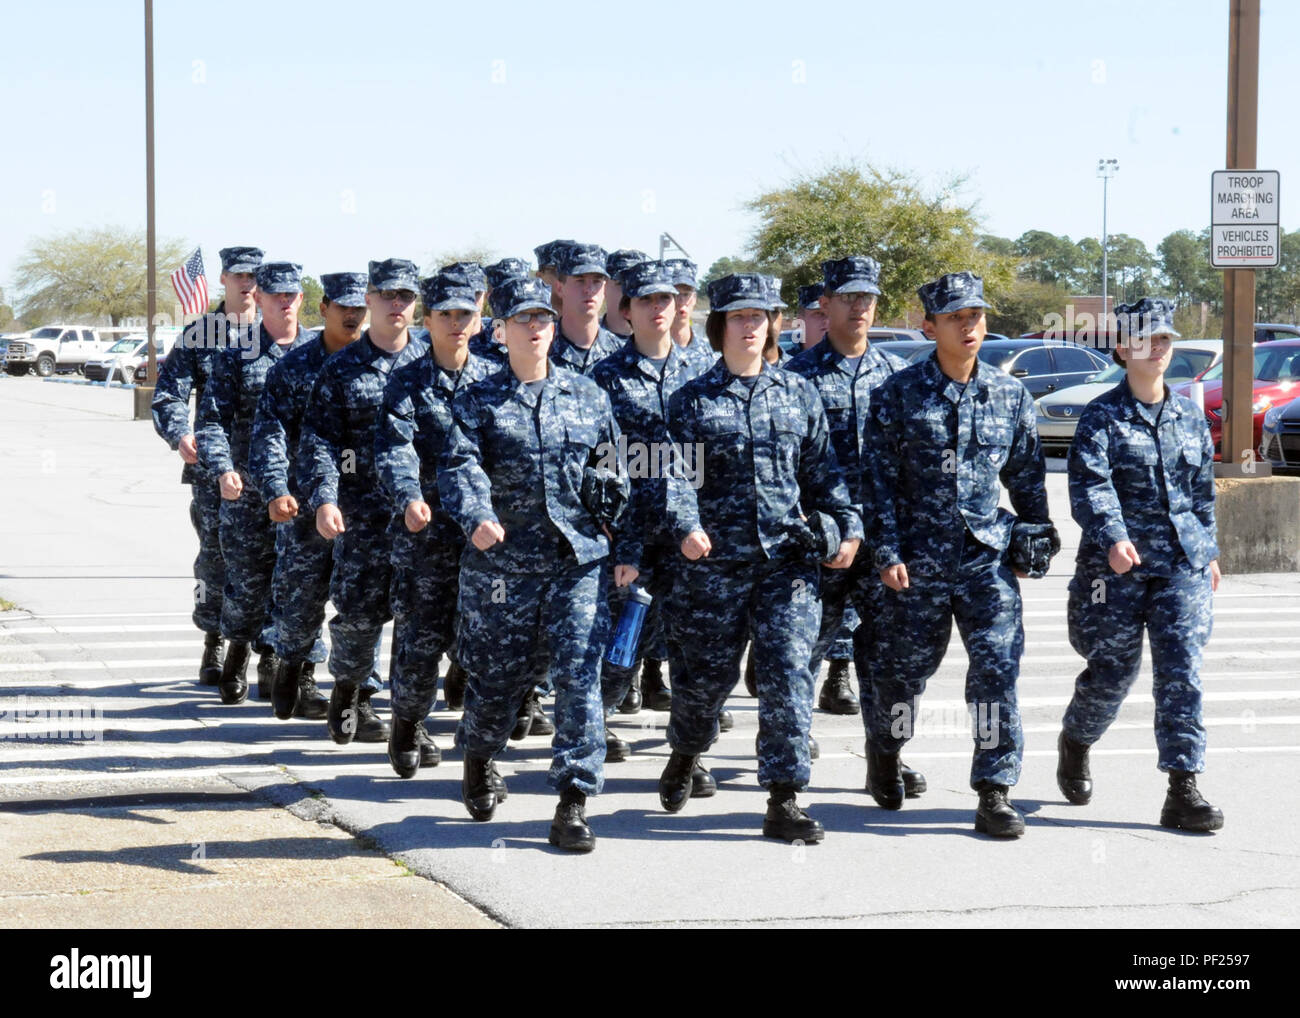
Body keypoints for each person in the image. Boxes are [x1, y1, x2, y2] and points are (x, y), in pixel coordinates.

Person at [659, 272, 862, 843]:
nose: (751, 326)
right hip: (714, 565)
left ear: (773, 324)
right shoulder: (691, 400)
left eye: (760, 316)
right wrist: (687, 525)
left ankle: (784, 796)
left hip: (787, 564)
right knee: (704, 680)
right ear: (720, 325)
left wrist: (848, 527)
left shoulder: (799, 394)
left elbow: (824, 476)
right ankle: (686, 751)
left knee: (789, 676)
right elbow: (674, 476)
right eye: (740, 316)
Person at [859, 271, 1055, 838]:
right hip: (916, 562)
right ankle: (886, 749)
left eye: (975, 315)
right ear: (929, 326)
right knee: (904, 675)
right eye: (954, 317)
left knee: (995, 672)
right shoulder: (897, 395)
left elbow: (1026, 476)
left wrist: (1034, 537)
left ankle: (994, 790)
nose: (968, 325)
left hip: (984, 558)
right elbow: (877, 483)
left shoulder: (1009, 393)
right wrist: (887, 550)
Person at [439, 276, 629, 852]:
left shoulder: (589, 395)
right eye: (523, 319)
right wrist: (477, 513)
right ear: (501, 329)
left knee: (578, 676)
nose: (537, 328)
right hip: (503, 567)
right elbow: (459, 466)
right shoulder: (478, 400)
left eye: (544, 318)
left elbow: (615, 464)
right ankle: (479, 755)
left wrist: (615, 516)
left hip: (576, 563)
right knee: (498, 677)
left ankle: (573, 799)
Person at [1059, 297, 1223, 832]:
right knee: (1112, 673)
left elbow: (1201, 493)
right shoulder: (1101, 416)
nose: (1157, 349)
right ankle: (1077, 740)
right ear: (1122, 348)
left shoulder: (1190, 416)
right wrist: (1113, 538)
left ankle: (1183, 788)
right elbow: (1090, 486)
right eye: (1146, 340)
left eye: (1164, 340)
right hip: (1117, 570)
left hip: (1181, 565)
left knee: (1181, 673)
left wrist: (1210, 550)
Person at [299, 258, 428, 745]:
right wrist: (325, 499)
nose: (397, 305)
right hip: (361, 515)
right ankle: (349, 687)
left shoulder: (429, 361)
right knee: (358, 616)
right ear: (369, 298)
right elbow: (320, 440)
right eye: (388, 295)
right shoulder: (341, 368)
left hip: (420, 520)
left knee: (419, 622)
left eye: (406, 297)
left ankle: (408, 719)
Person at [591, 260, 709, 784]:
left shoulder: (703, 371)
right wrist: (617, 537)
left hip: (690, 536)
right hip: (629, 535)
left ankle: (688, 754)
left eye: (666, 300)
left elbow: (712, 460)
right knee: (622, 645)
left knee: (694, 647)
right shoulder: (603, 379)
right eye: (646, 301)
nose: (659, 309)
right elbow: (598, 465)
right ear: (626, 311)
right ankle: (594, 726)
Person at [375, 272, 496, 777]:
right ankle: (407, 721)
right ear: (428, 321)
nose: (454, 323)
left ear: (477, 320)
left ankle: (477, 743)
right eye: (444, 314)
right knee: (421, 637)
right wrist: (408, 496)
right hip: (425, 531)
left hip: (483, 537)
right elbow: (393, 445)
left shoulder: (495, 379)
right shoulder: (406, 379)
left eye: (463, 314)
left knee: (483, 635)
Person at [250, 271, 368, 722]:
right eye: (344, 307)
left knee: (362, 603)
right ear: (325, 309)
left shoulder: (379, 363)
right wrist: (276, 488)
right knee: (301, 599)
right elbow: (270, 435)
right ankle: (294, 662)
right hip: (305, 501)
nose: (353, 315)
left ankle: (358, 695)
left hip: (365, 505)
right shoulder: (293, 368)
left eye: (360, 307)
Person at [195, 261, 314, 704]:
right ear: (259, 298)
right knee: (247, 581)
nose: (284, 302)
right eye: (275, 294)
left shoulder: (318, 354)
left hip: (300, 491)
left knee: (299, 584)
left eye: (292, 295)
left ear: (301, 299)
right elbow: (211, 422)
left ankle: (281, 664)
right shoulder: (236, 356)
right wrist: (222, 467)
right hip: (246, 490)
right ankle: (237, 654)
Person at [152, 245, 261, 686]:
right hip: (213, 470)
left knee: (271, 561)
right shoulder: (202, 334)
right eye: (239, 275)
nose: (247, 283)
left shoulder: (278, 333)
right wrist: (180, 434)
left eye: (255, 275)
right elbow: (169, 393)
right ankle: (214, 642)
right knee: (216, 561)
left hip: (268, 471)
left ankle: (268, 651)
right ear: (224, 279)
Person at [549, 242, 625, 376]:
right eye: (580, 280)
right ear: (560, 288)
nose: (589, 290)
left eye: (597, 282)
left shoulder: (623, 353)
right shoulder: (541, 350)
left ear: (604, 288)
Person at [664, 258, 714, 376]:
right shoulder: (650, 351)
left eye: (686, 294)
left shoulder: (711, 354)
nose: (681, 301)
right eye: (675, 294)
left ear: (694, 299)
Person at [601, 249, 649, 338]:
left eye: (635, 284)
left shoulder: (657, 341)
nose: (628, 292)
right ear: (604, 287)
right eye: (620, 283)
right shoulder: (586, 339)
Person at [797, 283, 829, 350]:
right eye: (819, 313)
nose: (827, 320)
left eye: (832, 313)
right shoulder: (787, 360)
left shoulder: (850, 358)